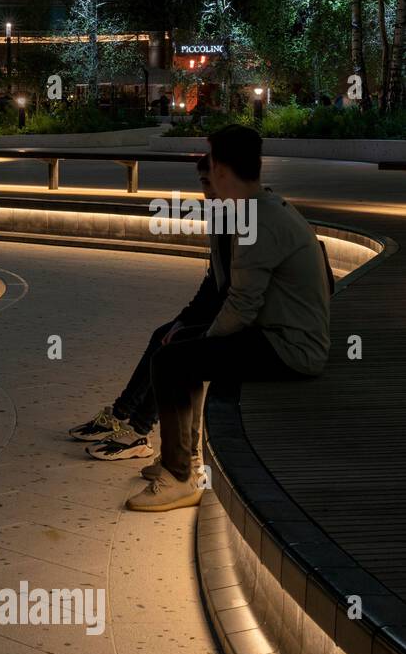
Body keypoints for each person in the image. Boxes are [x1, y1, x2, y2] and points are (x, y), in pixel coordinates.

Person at [127, 124, 331, 511]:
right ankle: (183, 458)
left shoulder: (257, 221)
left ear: (220, 169)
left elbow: (241, 307)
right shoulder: (257, 209)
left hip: (290, 347)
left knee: (172, 360)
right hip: (280, 334)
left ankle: (181, 476)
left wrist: (201, 341)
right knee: (180, 350)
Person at [69, 155, 230, 474]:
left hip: (243, 322)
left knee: (174, 348)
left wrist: (196, 327)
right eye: (202, 183)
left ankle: (139, 433)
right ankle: (119, 416)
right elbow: (213, 282)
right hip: (228, 313)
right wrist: (184, 319)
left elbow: (239, 293)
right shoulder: (223, 216)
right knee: (163, 333)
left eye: (209, 183)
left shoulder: (241, 221)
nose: (205, 192)